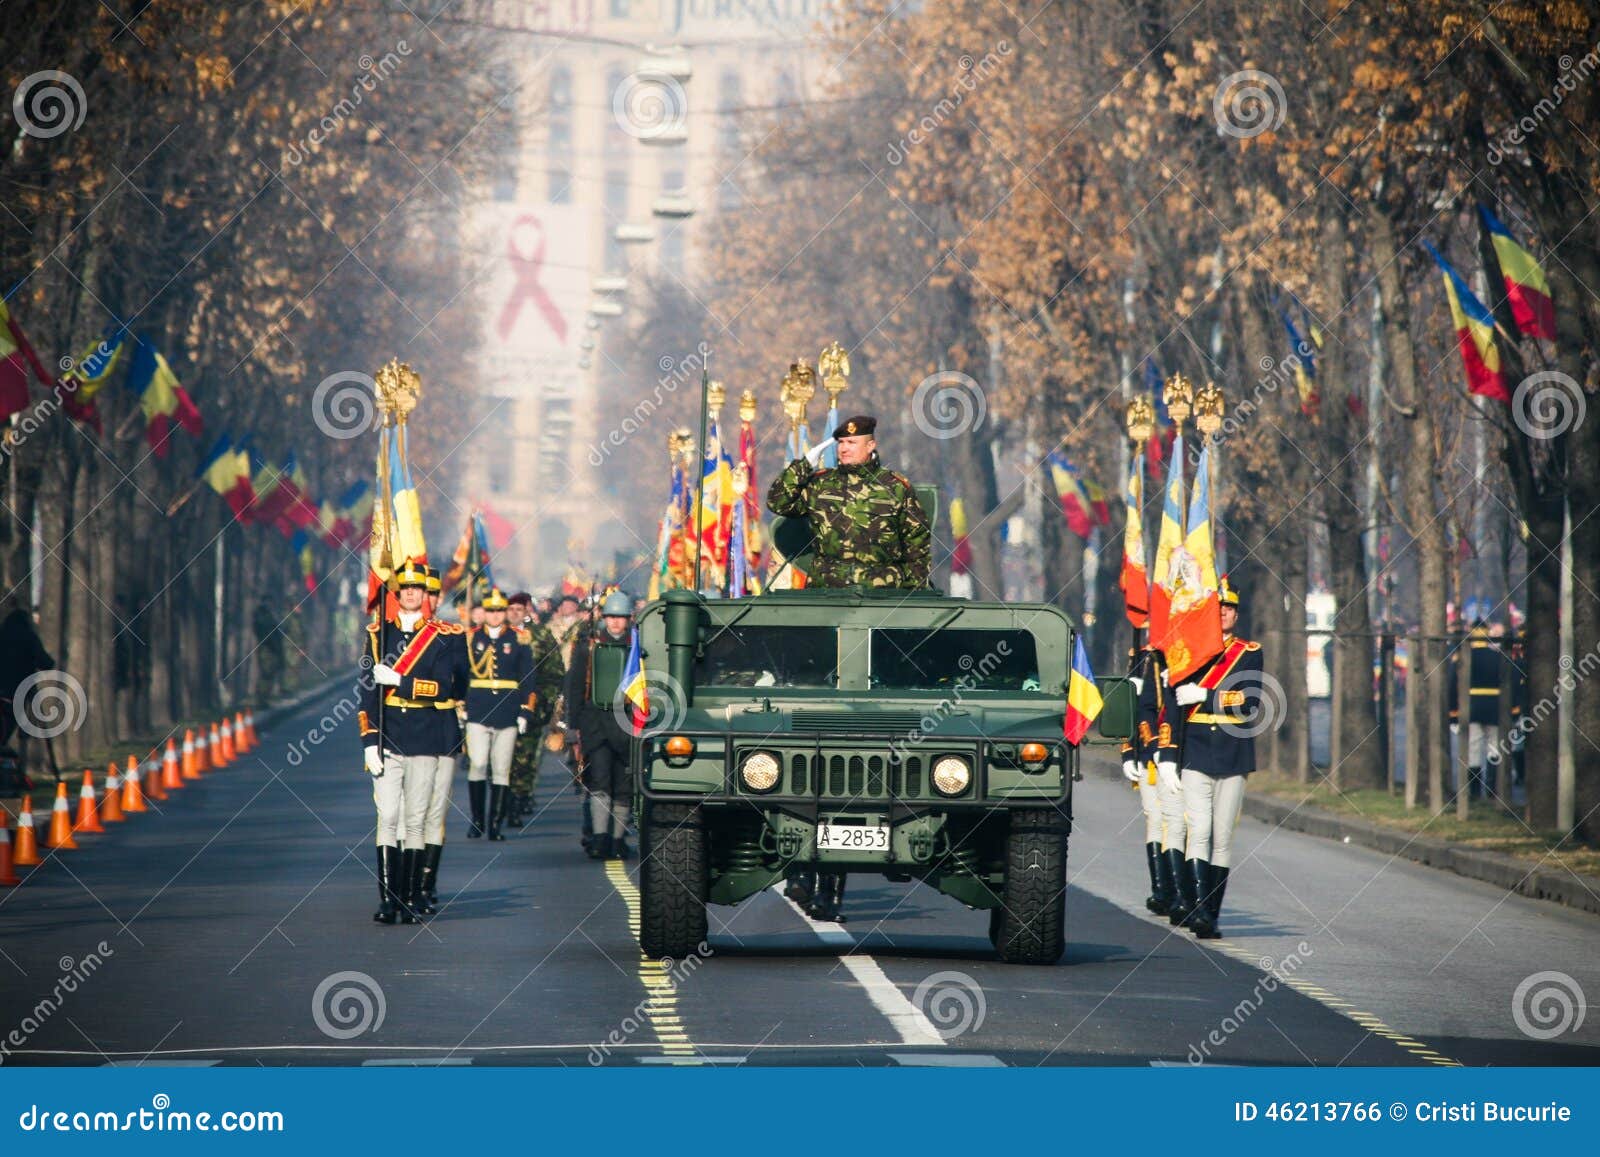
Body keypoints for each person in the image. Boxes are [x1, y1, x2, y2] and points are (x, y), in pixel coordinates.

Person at [359, 561, 469, 925]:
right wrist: (369, 741)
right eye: (403, 588)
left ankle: (408, 898)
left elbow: (444, 687)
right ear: (396, 594)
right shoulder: (377, 635)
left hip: (425, 738)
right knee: (387, 817)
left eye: (416, 588)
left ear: (425, 594)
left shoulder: (445, 637)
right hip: (389, 735)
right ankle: (388, 899)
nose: (409, 593)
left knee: (416, 820)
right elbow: (366, 693)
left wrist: (399, 679)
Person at [1166, 576, 1261, 939]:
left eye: (1230, 609)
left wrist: (1204, 697)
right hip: (1196, 750)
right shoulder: (1188, 652)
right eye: (1219, 608)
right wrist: (1169, 755)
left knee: (1222, 836)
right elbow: (1174, 708)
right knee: (1199, 831)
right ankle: (1198, 908)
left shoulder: (1249, 651)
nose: (1224, 613)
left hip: (1233, 752)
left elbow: (1248, 701)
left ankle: (1211, 914)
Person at [766, 414, 932, 589]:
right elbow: (778, 503)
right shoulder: (820, 484)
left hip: (882, 593)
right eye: (841, 442)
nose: (844, 449)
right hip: (826, 589)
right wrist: (803, 465)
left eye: (851, 443)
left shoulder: (895, 487)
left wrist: (913, 593)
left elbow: (917, 542)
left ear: (870, 446)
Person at [564, 591, 636, 859]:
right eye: (611, 617)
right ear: (604, 618)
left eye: (621, 617)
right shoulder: (589, 647)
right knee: (599, 780)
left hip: (627, 723)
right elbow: (574, 687)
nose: (616, 622)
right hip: (595, 721)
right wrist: (572, 726)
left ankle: (618, 840)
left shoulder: (637, 647)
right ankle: (599, 838)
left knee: (624, 784)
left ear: (629, 619)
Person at [463, 589, 534, 841]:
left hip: (508, 710)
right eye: (490, 610)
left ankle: (495, 824)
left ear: (504, 613)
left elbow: (527, 678)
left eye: (498, 611)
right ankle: (477, 820)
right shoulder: (471, 638)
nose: (494, 615)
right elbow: (461, 674)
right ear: (484, 612)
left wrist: (526, 709)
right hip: (478, 709)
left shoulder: (519, 639)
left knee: (502, 768)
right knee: (479, 763)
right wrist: (461, 705)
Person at [1123, 645, 1179, 917]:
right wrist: (1129, 750)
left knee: (1178, 822)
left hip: (1181, 752)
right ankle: (1161, 890)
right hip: (1148, 753)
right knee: (1155, 819)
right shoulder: (1146, 656)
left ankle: (1180, 891)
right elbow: (1134, 708)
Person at [504, 591, 563, 824]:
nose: (515, 613)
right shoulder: (499, 635)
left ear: (527, 610)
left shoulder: (540, 635)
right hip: (502, 708)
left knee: (526, 757)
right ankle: (503, 802)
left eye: (519, 609)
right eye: (511, 609)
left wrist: (544, 701)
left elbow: (555, 671)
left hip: (532, 707)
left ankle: (520, 798)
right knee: (502, 758)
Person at [1448, 620, 1505, 802]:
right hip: (1495, 708)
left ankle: (1474, 791)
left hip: (1471, 707)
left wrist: (1453, 714)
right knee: (1495, 749)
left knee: (1473, 750)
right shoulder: (1498, 657)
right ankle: (1493, 789)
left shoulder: (1464, 658)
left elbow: (1452, 686)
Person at [252, 598, 284, 700]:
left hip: (273, 648)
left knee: (271, 673)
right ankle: (261, 698)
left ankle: (265, 697)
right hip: (266, 648)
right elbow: (262, 632)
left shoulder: (270, 616)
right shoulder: (261, 616)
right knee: (265, 674)